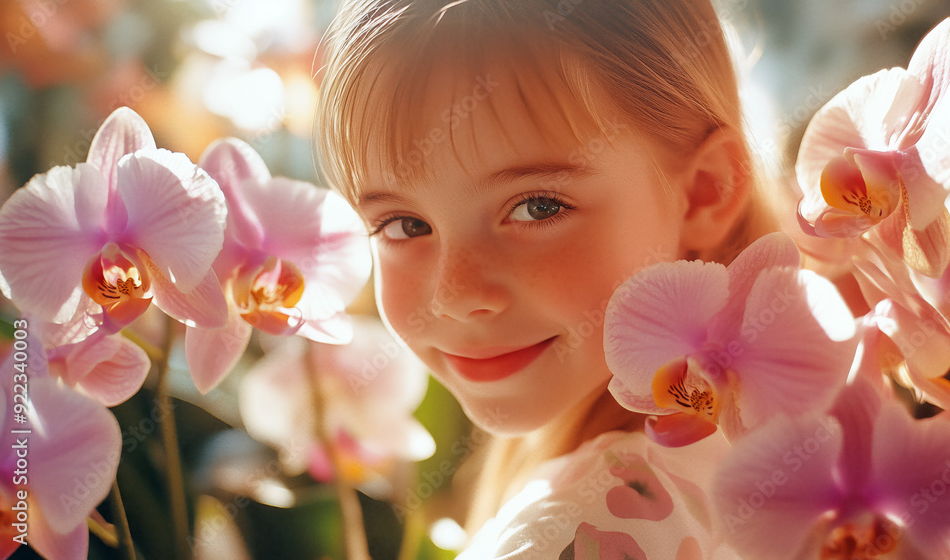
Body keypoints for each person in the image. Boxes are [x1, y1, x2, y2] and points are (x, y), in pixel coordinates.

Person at [315, 0, 782, 556]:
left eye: (537, 207)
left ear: (705, 190)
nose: (456, 296)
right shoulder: (810, 425)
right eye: (404, 224)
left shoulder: (566, 532)